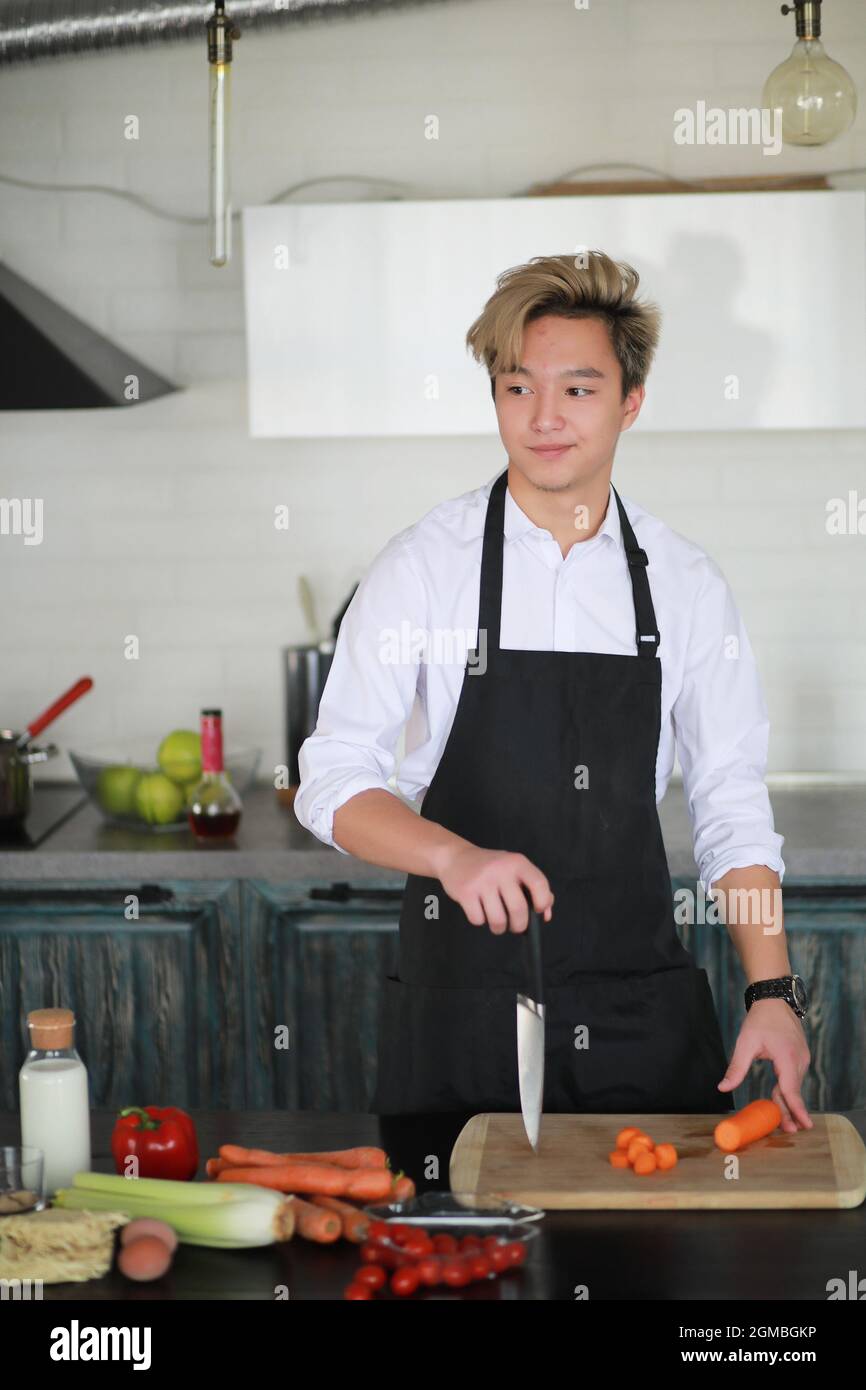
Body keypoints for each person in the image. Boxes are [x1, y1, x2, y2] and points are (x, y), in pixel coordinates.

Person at [294, 250, 812, 1131]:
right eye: (516, 388)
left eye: (577, 390)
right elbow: (331, 781)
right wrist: (453, 857)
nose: (543, 419)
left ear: (629, 402)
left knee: (646, 1264)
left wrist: (773, 990)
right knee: (457, 1257)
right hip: (461, 1012)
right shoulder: (424, 565)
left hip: (632, 1015)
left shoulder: (685, 584)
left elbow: (731, 802)